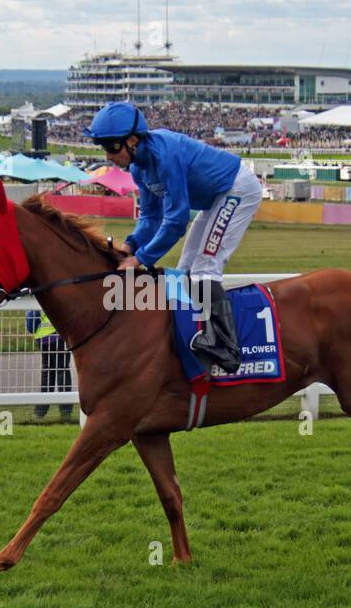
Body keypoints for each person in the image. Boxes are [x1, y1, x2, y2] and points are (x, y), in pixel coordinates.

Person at [85, 101, 261, 374]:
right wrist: (130, 245)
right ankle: (193, 333)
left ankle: (227, 347)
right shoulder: (138, 168)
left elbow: (177, 221)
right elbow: (151, 218)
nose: (108, 156)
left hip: (237, 187)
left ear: (132, 140)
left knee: (205, 266)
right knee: (186, 267)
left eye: (111, 147)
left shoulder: (165, 156)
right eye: (103, 147)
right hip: (215, 199)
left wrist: (141, 259)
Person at [26, 309, 72, 420]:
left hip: (41, 336)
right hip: (56, 334)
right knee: (62, 371)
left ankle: (40, 412)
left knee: (47, 373)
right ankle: (65, 411)